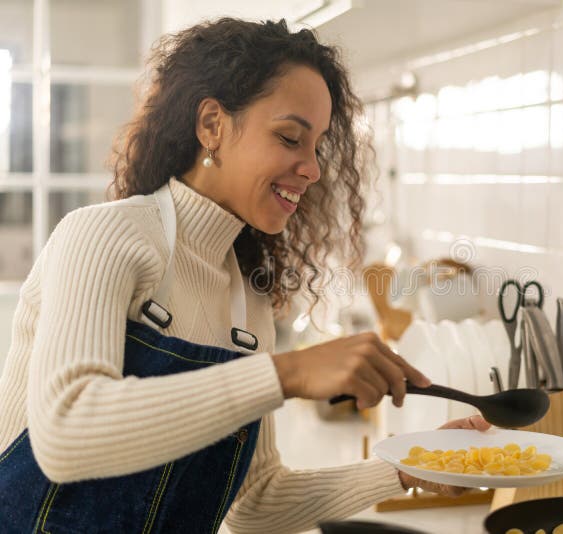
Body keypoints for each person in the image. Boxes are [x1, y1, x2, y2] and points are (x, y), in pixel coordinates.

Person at [0, 17, 490, 533]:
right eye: (289, 137)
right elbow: (67, 432)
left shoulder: (246, 301)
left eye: (317, 145)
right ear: (212, 125)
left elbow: (256, 504)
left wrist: (408, 469)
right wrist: (289, 374)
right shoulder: (104, 237)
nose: (313, 168)